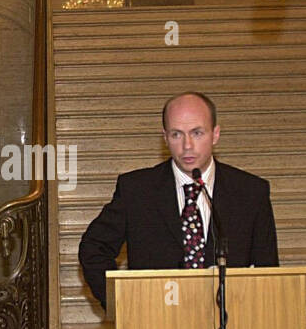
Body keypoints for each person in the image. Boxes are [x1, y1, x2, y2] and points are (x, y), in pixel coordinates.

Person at [78, 92, 279, 310]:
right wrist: (123, 304)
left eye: (197, 133)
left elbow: (269, 271)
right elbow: (93, 248)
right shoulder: (137, 191)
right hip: (156, 327)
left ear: (215, 134)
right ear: (164, 138)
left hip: (233, 328)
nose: (187, 145)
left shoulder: (251, 192)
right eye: (176, 134)